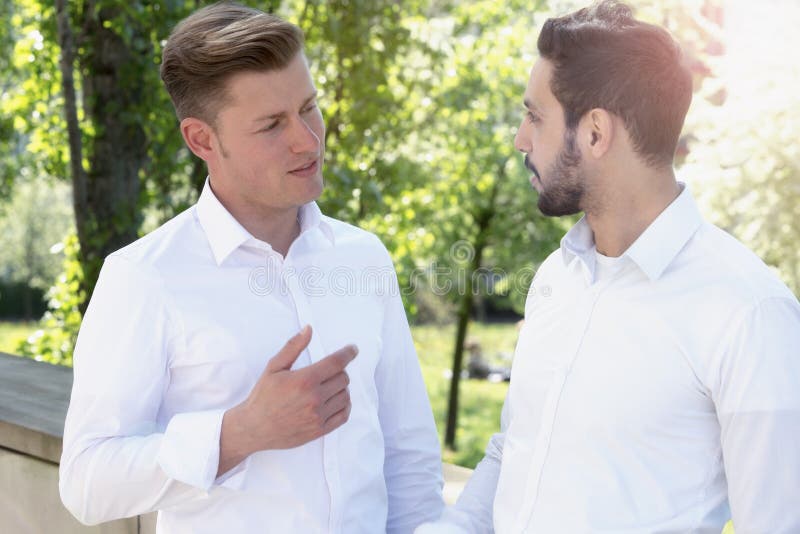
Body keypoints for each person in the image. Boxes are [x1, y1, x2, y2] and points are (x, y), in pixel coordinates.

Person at [58, 3, 444, 533]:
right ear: (202, 140)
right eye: (271, 125)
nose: (308, 140)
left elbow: (410, 459)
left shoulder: (363, 258)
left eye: (309, 108)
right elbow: (85, 482)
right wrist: (238, 433)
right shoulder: (144, 278)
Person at [417, 1, 800, 533]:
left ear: (595, 133)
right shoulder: (556, 278)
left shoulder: (750, 313)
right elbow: (516, 453)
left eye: (535, 116)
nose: (520, 140)